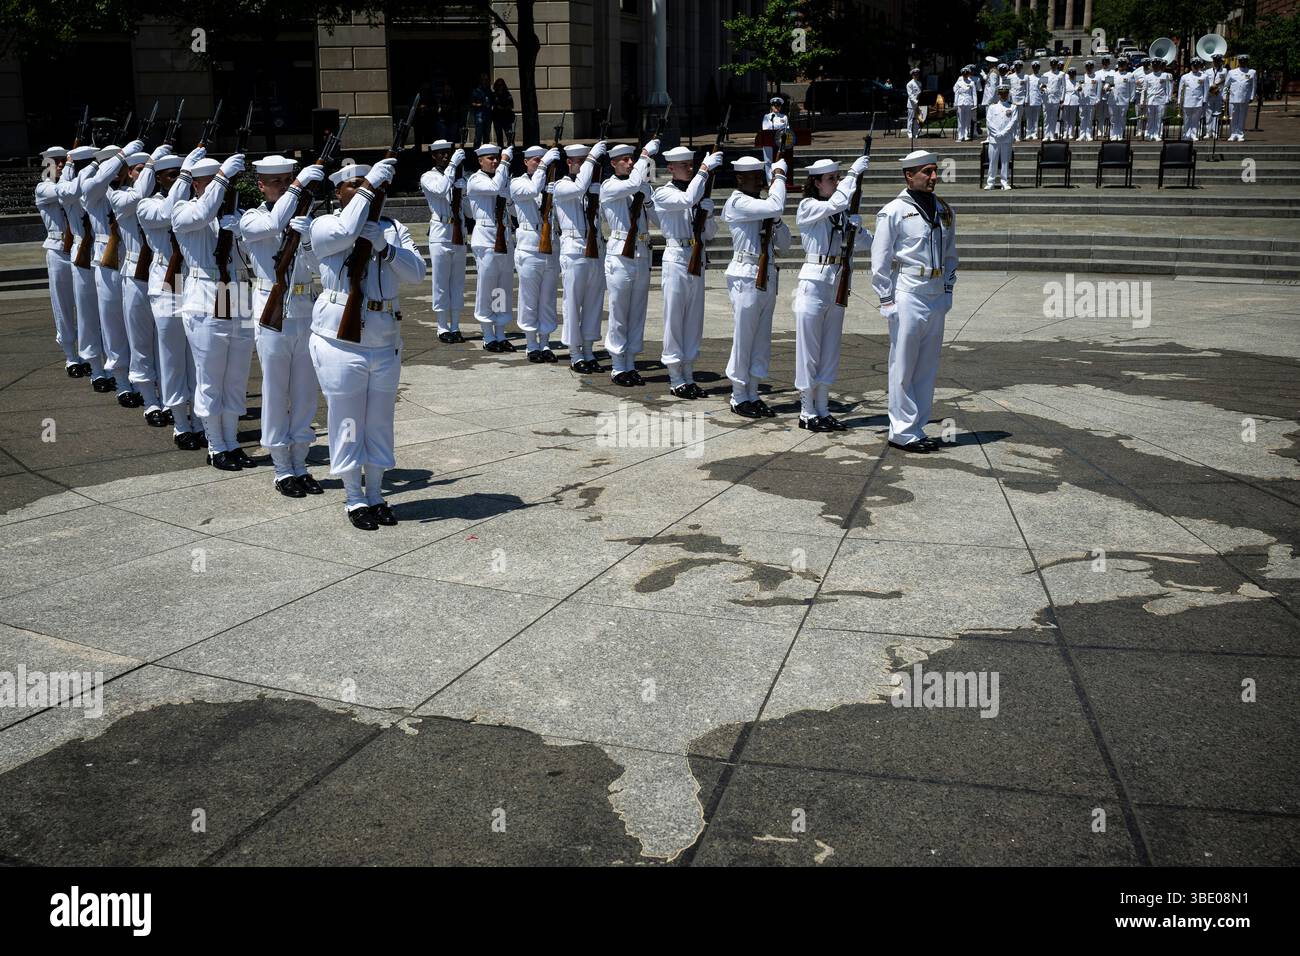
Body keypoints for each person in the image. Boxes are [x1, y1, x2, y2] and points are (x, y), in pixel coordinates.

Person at [308, 159, 426, 530]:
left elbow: (417, 273)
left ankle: (375, 493)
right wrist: (369, 186)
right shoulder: (326, 225)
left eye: (373, 185)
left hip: (385, 338)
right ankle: (353, 496)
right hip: (341, 341)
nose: (368, 190)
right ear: (338, 192)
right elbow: (346, 229)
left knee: (378, 422)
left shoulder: (393, 228)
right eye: (355, 185)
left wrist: (386, 248)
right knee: (346, 421)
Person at [240, 154, 327, 498]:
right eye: (275, 181)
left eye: (286, 179)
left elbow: (322, 264)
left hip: (307, 311)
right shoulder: (252, 218)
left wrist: (307, 240)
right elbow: (276, 224)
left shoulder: (306, 218)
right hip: (271, 312)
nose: (281, 186)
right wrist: (298, 186)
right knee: (277, 392)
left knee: (306, 392)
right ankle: (281, 467)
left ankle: (301, 463)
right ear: (260, 184)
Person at [870, 150, 957, 453]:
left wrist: (947, 291)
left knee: (927, 366)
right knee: (903, 364)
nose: (934, 177)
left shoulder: (945, 209)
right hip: (907, 291)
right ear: (909, 175)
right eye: (927, 172)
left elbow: (951, 255)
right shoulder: (893, 210)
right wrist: (886, 299)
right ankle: (901, 431)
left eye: (935, 171)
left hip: (935, 291)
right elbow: (879, 259)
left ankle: (918, 427)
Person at [172, 151, 254, 470]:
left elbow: (253, 252)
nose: (221, 189)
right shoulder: (183, 210)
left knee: (236, 377)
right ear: (196, 185)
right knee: (210, 378)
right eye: (210, 182)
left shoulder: (233, 213)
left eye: (224, 183)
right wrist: (221, 177)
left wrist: (242, 231)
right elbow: (203, 213)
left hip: (237, 292)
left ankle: (232, 442)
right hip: (206, 294)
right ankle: (215, 445)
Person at [792, 155, 870, 431]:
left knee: (829, 350)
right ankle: (806, 410)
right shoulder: (808, 206)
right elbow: (837, 201)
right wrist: (852, 175)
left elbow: (866, 243)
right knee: (809, 351)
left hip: (836, 282)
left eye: (838, 178)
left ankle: (823, 408)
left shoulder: (840, 210)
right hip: (813, 283)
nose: (836, 183)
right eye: (831, 179)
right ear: (816, 182)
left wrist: (857, 227)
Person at [137, 149, 206, 450]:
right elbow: (168, 212)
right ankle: (180, 421)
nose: (179, 181)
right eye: (172, 176)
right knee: (172, 358)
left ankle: (202, 420)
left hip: (190, 284)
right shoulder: (147, 205)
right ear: (159, 180)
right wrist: (187, 175)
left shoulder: (193, 205)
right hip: (166, 285)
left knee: (198, 357)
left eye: (182, 176)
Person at [652, 145, 723, 398]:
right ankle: (675, 377)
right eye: (685, 166)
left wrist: (709, 213)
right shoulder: (663, 193)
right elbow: (686, 200)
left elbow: (710, 234)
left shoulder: (697, 193)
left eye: (692, 165)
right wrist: (705, 170)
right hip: (676, 257)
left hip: (696, 256)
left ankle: (689, 374)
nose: (690, 169)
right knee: (675, 318)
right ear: (670, 168)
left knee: (694, 319)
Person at [722, 155, 790, 418]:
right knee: (745, 337)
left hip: (767, 273)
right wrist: (780, 177)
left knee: (761, 338)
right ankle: (738, 395)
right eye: (753, 177)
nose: (760, 181)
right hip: (746, 274)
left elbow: (784, 244)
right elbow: (776, 203)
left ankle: (753, 391)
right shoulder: (737, 201)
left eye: (762, 177)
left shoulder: (764, 208)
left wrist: (777, 222)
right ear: (740, 178)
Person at [82, 139, 147, 405]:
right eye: (116, 167)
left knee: (137, 327)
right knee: (113, 325)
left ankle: (141, 379)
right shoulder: (93, 190)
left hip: (134, 262)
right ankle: (121, 381)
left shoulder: (132, 192)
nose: (120, 172)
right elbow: (102, 180)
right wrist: (120, 157)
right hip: (107, 263)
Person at [109, 147, 169, 425]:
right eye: (139, 170)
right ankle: (150, 400)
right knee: (141, 340)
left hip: (164, 276)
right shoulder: (121, 196)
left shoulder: (163, 200)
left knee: (167, 343)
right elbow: (136, 196)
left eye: (149, 171)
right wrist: (152, 163)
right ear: (130, 174)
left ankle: (171, 398)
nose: (146, 175)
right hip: (135, 273)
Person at [600, 140, 661, 386]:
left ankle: (630, 362)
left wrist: (647, 200)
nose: (630, 163)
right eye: (624, 160)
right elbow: (634, 182)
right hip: (620, 256)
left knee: (637, 312)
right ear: (614, 163)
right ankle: (617, 365)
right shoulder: (609, 186)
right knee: (619, 312)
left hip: (642, 254)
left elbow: (658, 220)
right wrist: (646, 155)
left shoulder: (639, 187)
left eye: (632, 159)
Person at [553, 141, 609, 372]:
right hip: (574, 250)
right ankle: (575, 353)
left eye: (587, 160)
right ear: (569, 163)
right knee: (573, 303)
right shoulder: (561, 186)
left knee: (594, 303)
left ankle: (588, 349)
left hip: (595, 248)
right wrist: (593, 159)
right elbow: (578, 188)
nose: (585, 165)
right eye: (581, 161)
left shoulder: (593, 188)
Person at [64, 145, 113, 392]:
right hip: (83, 257)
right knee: (87, 316)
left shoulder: (106, 187)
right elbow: (75, 189)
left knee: (109, 317)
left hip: (105, 256)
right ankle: (95, 368)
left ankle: (114, 367)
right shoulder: (70, 188)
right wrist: (79, 166)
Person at [511, 144, 564, 361]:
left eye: (542, 160)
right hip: (529, 247)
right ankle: (531, 344)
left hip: (550, 246)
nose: (539, 163)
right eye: (535, 160)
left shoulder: (553, 186)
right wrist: (543, 167)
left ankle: (545, 343)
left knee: (548, 299)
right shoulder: (517, 183)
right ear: (526, 162)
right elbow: (532, 190)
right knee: (529, 298)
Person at [34, 146, 83, 376]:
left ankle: (88, 352)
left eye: (65, 161)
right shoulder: (43, 187)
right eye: (56, 162)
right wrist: (72, 169)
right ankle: (71, 356)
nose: (61, 164)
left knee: (86, 305)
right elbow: (65, 193)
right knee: (63, 306)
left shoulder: (71, 183)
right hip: (57, 249)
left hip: (78, 249)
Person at [465, 143, 516, 351]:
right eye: (490, 158)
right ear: (480, 161)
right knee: (487, 287)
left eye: (496, 158)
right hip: (485, 237)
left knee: (501, 288)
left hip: (503, 235)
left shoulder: (501, 178)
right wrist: (505, 161)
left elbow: (511, 206)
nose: (494, 161)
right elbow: (494, 188)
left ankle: (501, 332)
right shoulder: (476, 180)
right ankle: (487, 334)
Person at [419, 139, 468, 343]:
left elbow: (469, 209)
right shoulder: (428, 176)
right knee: (440, 282)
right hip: (440, 232)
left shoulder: (456, 176)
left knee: (457, 282)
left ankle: (455, 325)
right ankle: (441, 327)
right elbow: (439, 189)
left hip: (459, 231)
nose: (446, 156)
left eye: (448, 153)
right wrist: (453, 167)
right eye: (441, 154)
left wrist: (464, 189)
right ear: (434, 156)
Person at [984, 83, 1016, 190]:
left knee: (1005, 161)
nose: (1003, 95)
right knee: (993, 161)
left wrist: (1003, 133)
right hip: (994, 138)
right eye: (1001, 93)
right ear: (998, 94)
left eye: (1005, 93)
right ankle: (990, 182)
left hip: (1006, 138)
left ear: (1008, 94)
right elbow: (989, 121)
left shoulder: (1013, 107)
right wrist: (997, 133)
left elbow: (1013, 122)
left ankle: (1004, 182)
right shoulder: (992, 107)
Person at [1226, 55, 1256, 142]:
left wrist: (1251, 96)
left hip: (1244, 98)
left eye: (1244, 61)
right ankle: (1233, 133)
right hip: (1233, 98)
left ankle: (1240, 134)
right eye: (1241, 61)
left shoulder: (1252, 72)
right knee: (1233, 116)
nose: (1243, 63)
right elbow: (1226, 86)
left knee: (1242, 117)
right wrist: (1225, 96)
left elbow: (1253, 86)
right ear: (1239, 62)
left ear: (1247, 62)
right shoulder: (1231, 72)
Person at [1179, 59, 1209, 141]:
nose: (1195, 67)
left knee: (1196, 119)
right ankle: (1186, 134)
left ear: (1199, 66)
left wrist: (1204, 100)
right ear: (1191, 66)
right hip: (1187, 101)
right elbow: (1180, 90)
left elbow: (1206, 89)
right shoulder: (1185, 77)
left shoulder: (1204, 76)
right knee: (1186, 119)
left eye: (1197, 66)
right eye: (1194, 65)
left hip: (1198, 101)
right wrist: (1179, 101)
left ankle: (1194, 134)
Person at [1143, 59, 1173, 141]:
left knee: (1159, 118)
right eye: (1154, 65)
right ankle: (1149, 133)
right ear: (1152, 66)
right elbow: (1144, 90)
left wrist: (1168, 98)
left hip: (1161, 100)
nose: (1155, 67)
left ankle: (1157, 134)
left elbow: (1168, 88)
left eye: (1157, 65)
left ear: (1160, 66)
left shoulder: (1165, 75)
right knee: (1150, 118)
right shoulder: (1147, 76)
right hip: (1150, 100)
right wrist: (1143, 101)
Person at [762, 96, 790, 176]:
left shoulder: (784, 117)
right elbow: (765, 129)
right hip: (768, 141)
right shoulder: (767, 116)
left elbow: (787, 129)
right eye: (775, 105)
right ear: (771, 106)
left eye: (778, 105)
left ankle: (779, 178)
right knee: (768, 161)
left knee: (780, 160)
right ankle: (770, 181)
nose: (777, 107)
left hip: (781, 142)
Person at [1109, 57, 1136, 141]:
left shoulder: (1130, 75)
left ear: (1126, 65)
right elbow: (1107, 85)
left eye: (1123, 64)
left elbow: (1132, 88)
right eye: (1120, 64)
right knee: (1113, 117)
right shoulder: (1112, 74)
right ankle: (1113, 134)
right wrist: (1106, 88)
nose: (1121, 66)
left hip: (1124, 100)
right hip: (1113, 99)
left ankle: (1120, 134)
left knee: (1122, 117)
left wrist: (1131, 99)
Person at [1041, 58, 1065, 141]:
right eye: (1052, 64)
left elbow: (1063, 87)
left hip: (1056, 99)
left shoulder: (1061, 74)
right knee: (1046, 117)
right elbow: (1042, 85)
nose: (1053, 65)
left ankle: (1051, 135)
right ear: (1050, 64)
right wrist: (1043, 89)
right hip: (1046, 99)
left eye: (1055, 64)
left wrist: (1062, 99)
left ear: (1057, 64)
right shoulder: (1045, 74)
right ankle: (1046, 135)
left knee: (1053, 117)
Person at [1206, 53, 1229, 140]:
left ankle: (1215, 132)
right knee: (1208, 113)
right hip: (1209, 94)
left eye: (1217, 61)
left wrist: (1225, 95)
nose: (1216, 62)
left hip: (1219, 95)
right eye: (1214, 61)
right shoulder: (1208, 71)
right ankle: (1208, 132)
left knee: (1217, 113)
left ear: (1220, 61)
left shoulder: (1225, 71)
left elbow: (1227, 85)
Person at [952, 66, 976, 142]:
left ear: (969, 74)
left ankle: (966, 135)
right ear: (962, 74)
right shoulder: (959, 83)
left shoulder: (971, 83)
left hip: (969, 102)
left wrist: (975, 104)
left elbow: (974, 94)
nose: (965, 75)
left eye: (967, 73)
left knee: (968, 120)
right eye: (964, 74)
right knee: (960, 120)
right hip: (960, 102)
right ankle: (960, 136)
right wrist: (955, 103)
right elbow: (956, 93)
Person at [1079, 61, 1101, 141]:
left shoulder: (1097, 77)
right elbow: (1078, 87)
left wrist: (1097, 100)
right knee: (1082, 118)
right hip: (1082, 100)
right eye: (1087, 67)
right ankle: (1081, 134)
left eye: (1090, 67)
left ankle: (1088, 134)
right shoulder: (1081, 77)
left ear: (1093, 67)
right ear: (1085, 67)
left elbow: (1098, 90)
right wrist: (1079, 89)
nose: (1089, 68)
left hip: (1092, 101)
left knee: (1090, 118)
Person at [470, 73, 493, 148]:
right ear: (480, 80)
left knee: (487, 135)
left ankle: (486, 151)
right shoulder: (476, 91)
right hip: (479, 114)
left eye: (486, 80)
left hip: (488, 114)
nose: (485, 81)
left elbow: (492, 101)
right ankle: (476, 152)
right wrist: (479, 105)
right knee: (478, 135)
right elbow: (472, 103)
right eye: (484, 80)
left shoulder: (489, 91)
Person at [491, 78, 515, 146]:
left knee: (509, 136)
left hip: (506, 117)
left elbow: (511, 105)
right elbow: (492, 104)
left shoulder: (507, 94)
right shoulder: (494, 95)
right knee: (499, 136)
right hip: (497, 118)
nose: (500, 86)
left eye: (501, 85)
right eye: (498, 85)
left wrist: (504, 108)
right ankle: (500, 150)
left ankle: (511, 149)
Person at [1009, 60, 1028, 140]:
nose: (1018, 68)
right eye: (1016, 67)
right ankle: (1012, 135)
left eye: (1019, 67)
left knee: (1019, 119)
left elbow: (1027, 90)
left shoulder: (1025, 77)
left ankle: (1018, 136)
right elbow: (1008, 89)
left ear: (1021, 67)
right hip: (1012, 101)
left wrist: (1026, 100)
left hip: (1021, 100)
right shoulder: (1010, 77)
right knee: (1012, 119)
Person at [1060, 67, 1081, 140]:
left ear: (1075, 74)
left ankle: (1071, 133)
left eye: (1073, 74)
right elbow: (1063, 90)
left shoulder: (1078, 81)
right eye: (1070, 74)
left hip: (1074, 100)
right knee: (1065, 118)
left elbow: (1080, 91)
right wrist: (1062, 101)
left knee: (1072, 118)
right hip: (1066, 100)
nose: (1071, 75)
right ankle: (1065, 133)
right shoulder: (1065, 81)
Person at [1025, 60, 1044, 139]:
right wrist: (1026, 100)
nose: (1035, 68)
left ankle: (1035, 133)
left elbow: (1044, 89)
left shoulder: (1042, 77)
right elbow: (1026, 89)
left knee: (1036, 118)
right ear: (1032, 68)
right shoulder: (1028, 77)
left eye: (1037, 67)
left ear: (1039, 68)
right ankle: (1028, 132)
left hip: (1038, 99)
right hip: (1029, 99)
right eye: (1034, 67)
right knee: (1029, 117)